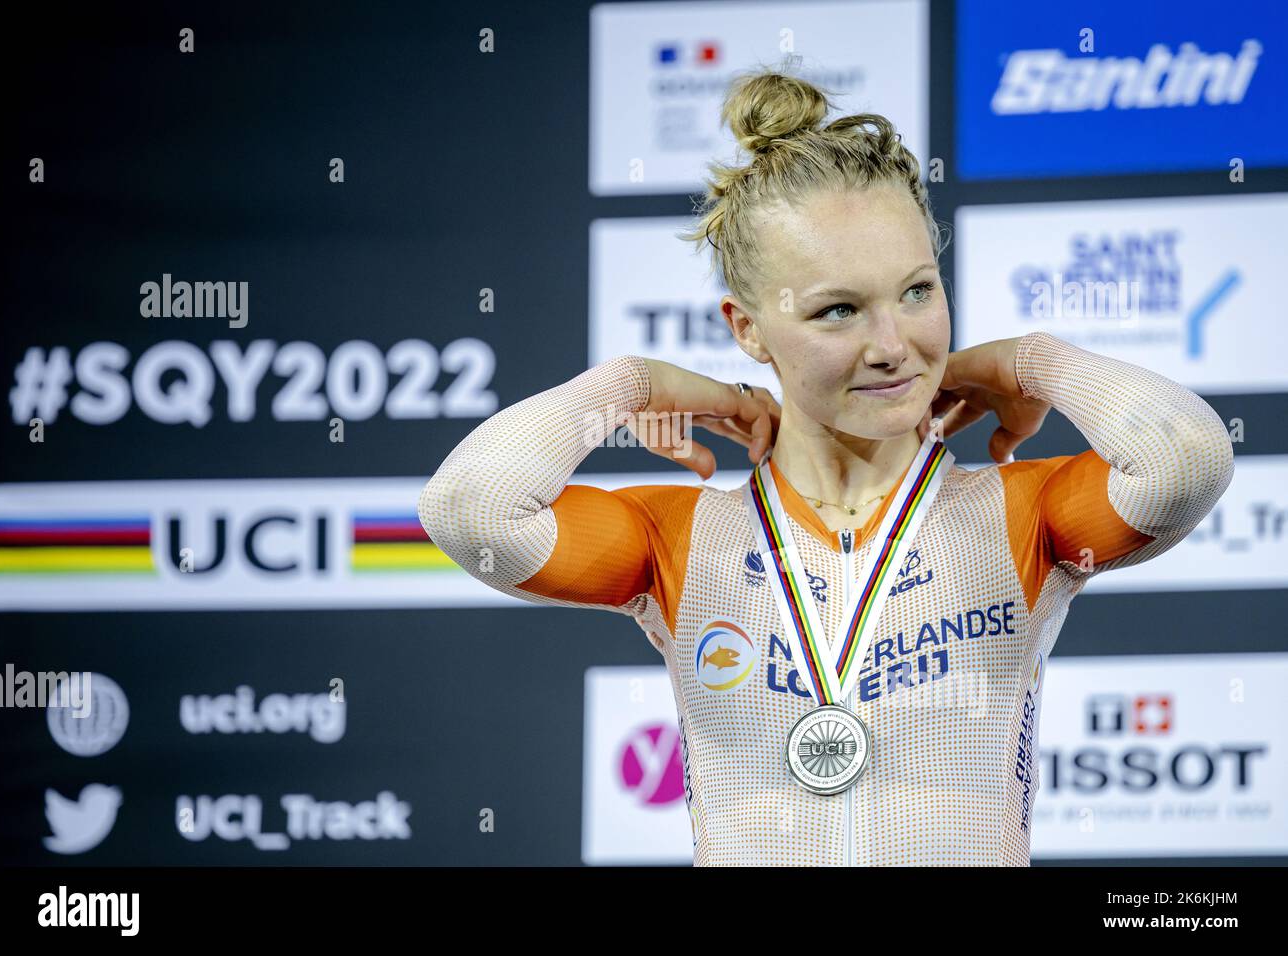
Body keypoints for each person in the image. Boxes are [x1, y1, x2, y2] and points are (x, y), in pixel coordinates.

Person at [417, 66, 1234, 865]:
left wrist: (1030, 362)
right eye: (838, 310)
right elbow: (470, 512)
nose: (893, 346)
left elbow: (1187, 458)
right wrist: (626, 386)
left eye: (917, 291)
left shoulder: (1023, 514)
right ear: (747, 328)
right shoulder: (680, 538)